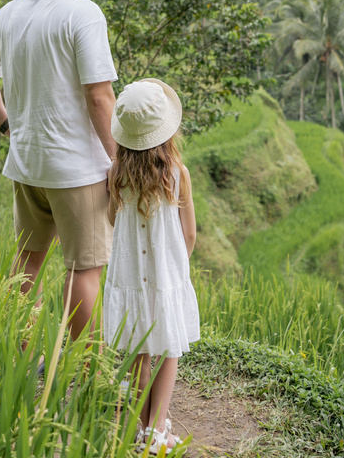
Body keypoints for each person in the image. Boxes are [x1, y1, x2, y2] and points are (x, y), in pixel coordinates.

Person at [0, 0, 117, 344]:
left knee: (27, 262)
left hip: (27, 164)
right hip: (76, 170)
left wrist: (8, 127)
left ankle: (15, 353)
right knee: (83, 269)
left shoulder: (11, 12)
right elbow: (99, 95)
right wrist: (119, 160)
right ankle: (86, 371)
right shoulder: (82, 13)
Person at [103, 79, 200, 455]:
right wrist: (177, 271)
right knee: (168, 350)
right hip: (167, 277)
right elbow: (188, 234)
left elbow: (113, 219)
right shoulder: (178, 174)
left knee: (139, 351)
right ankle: (158, 432)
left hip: (129, 278)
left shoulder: (116, 174)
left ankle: (141, 429)